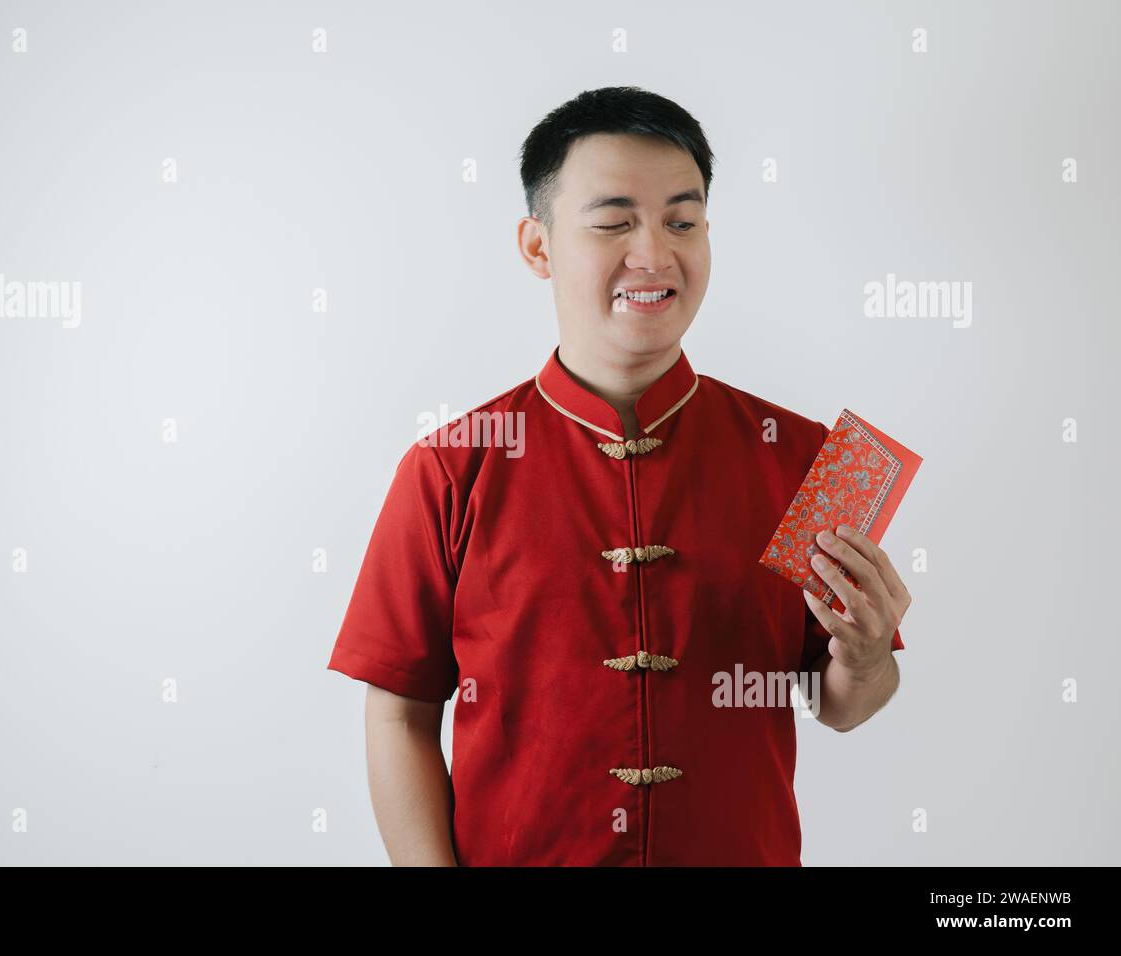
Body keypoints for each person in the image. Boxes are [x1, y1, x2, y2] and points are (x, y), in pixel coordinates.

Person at [326, 86, 911, 866]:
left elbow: (839, 705)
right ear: (538, 246)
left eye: (682, 221)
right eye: (613, 223)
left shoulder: (807, 458)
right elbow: (398, 714)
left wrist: (866, 661)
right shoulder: (450, 469)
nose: (655, 255)